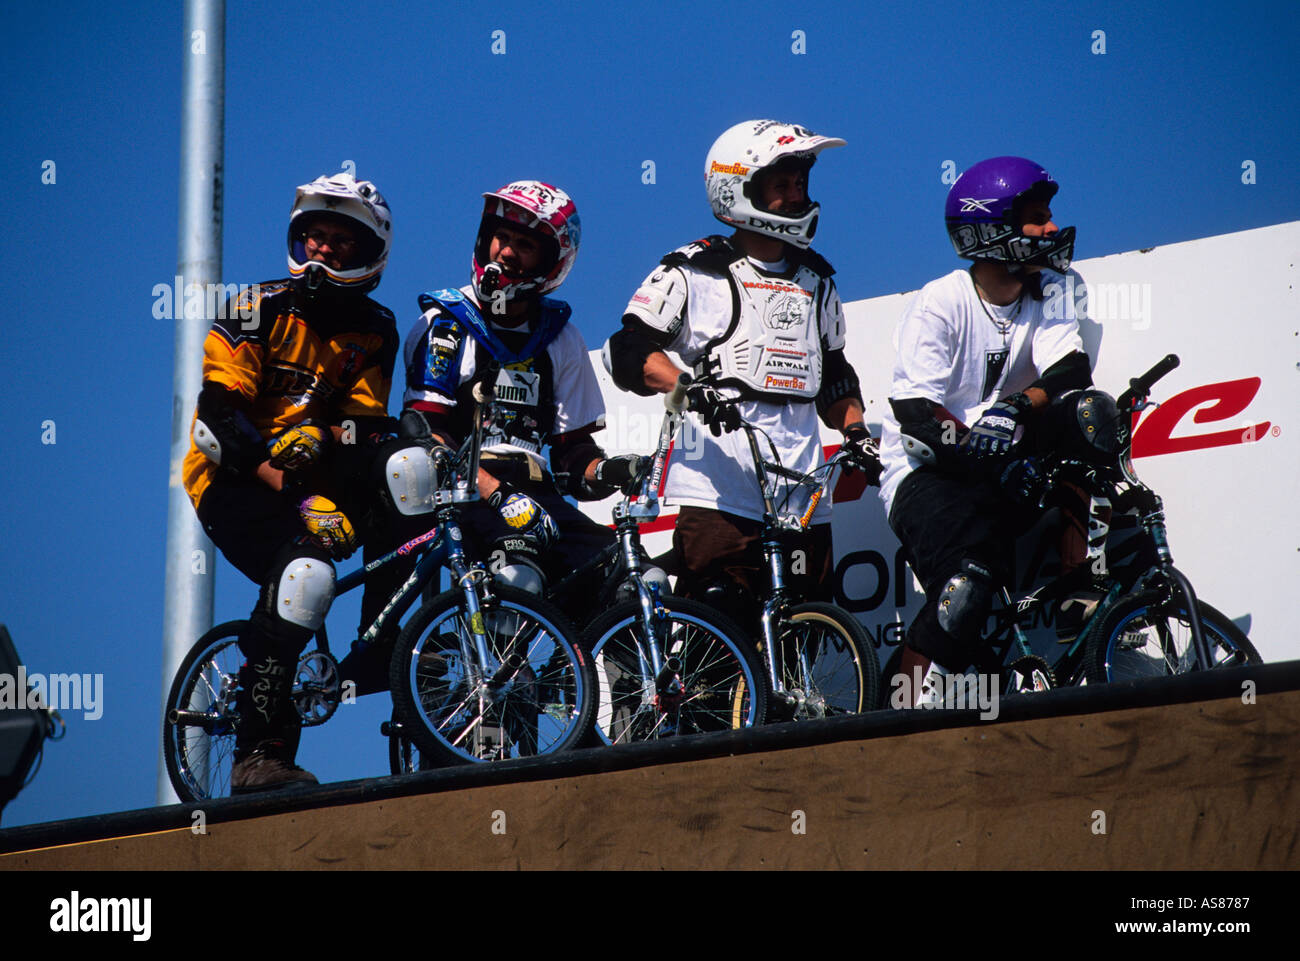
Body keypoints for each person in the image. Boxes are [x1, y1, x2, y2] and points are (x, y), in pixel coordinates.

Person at [603, 119, 880, 630]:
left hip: (802, 497)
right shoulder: (693, 271)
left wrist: (856, 432)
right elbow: (627, 349)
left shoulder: (818, 280)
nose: (797, 196)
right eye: (782, 184)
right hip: (719, 491)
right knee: (719, 627)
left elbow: (836, 377)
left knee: (804, 635)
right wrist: (686, 389)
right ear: (739, 188)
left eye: (801, 184)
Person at [183, 172, 411, 792]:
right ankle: (258, 752)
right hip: (234, 477)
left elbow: (365, 428)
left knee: (408, 470)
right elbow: (216, 421)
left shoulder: (377, 327)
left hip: (314, 473)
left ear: (372, 255)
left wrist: (328, 439)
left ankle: (385, 646)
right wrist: (297, 492)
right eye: (315, 234)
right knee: (306, 572)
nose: (323, 248)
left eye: (342, 239)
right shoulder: (253, 307)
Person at [877, 156, 1094, 704]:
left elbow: (1070, 371)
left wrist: (1016, 407)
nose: (1051, 227)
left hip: (1005, 461)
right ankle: (900, 715)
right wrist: (988, 459)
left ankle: (1080, 597)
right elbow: (918, 417)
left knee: (1091, 414)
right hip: (925, 474)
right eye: (1036, 218)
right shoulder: (941, 301)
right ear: (991, 229)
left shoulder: (1054, 287)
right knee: (964, 590)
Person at [402, 181, 641, 603]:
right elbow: (424, 434)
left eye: (525, 245)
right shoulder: (445, 323)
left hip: (540, 495)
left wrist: (611, 471)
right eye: (502, 237)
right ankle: (498, 649)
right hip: (467, 495)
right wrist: (496, 492)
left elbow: (572, 456)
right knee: (519, 578)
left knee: (635, 577)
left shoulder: (562, 337)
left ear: (552, 262)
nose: (507, 252)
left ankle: (603, 648)